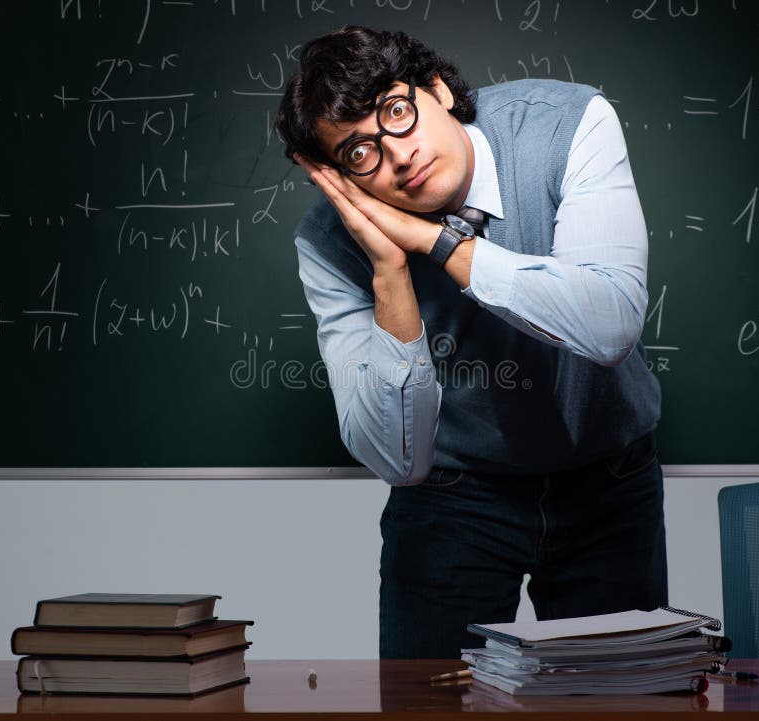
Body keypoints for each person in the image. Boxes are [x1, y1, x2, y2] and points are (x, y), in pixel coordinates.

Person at [276, 26, 667, 659]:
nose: (397, 156)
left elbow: (611, 321)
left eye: (397, 113)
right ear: (340, 179)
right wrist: (389, 272)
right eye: (359, 153)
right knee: (428, 705)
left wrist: (439, 244)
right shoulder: (327, 241)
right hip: (451, 497)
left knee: (622, 701)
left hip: (609, 480)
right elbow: (398, 461)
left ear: (437, 90)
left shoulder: (570, 125)